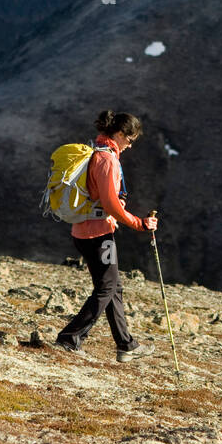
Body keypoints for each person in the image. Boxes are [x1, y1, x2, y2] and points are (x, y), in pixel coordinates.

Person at [56, 109, 157, 360]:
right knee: (107, 287)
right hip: (99, 234)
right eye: (130, 140)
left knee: (113, 287)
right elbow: (112, 204)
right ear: (120, 133)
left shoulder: (95, 153)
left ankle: (125, 345)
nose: (130, 146)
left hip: (84, 231)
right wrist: (140, 224)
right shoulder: (107, 160)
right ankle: (70, 338)